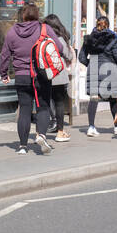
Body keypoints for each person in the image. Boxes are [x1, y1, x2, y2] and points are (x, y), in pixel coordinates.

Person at [0, 3, 55, 155]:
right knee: (43, 107)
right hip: (41, 75)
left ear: (23, 15)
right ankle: (42, 135)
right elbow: (59, 48)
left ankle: (22, 146)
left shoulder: (12, 32)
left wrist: (3, 74)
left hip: (21, 76)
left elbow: (5, 55)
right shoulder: (44, 29)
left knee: (24, 110)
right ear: (37, 15)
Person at [79, 16, 117, 136]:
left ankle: (91, 127)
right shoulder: (112, 37)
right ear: (108, 25)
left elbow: (81, 57)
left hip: (93, 69)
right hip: (110, 70)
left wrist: (91, 64)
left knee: (94, 98)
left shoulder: (89, 38)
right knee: (113, 99)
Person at [43, 13, 74, 142]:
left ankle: (42, 131)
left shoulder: (43, 39)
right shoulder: (60, 39)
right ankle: (60, 131)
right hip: (58, 75)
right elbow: (69, 56)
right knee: (59, 103)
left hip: (44, 74)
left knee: (45, 103)